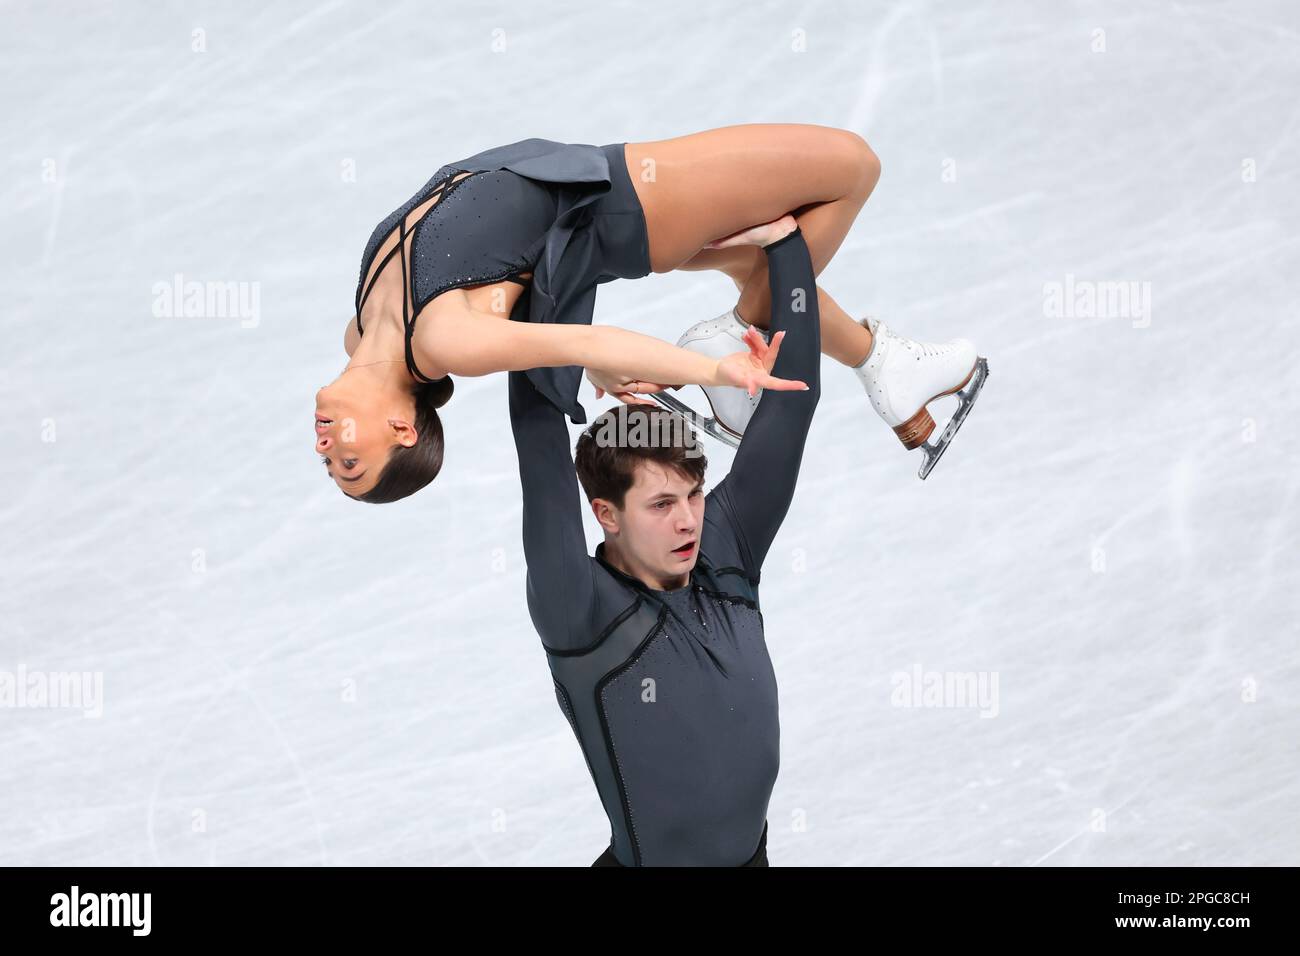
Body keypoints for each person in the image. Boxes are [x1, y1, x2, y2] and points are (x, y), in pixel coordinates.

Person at [316, 124, 985, 502]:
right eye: (349, 463)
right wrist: (714, 369)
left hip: (599, 207)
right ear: (403, 427)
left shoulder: (363, 325)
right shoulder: (444, 340)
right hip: (631, 198)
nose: (328, 450)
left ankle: (882, 364)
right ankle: (747, 331)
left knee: (756, 253)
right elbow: (594, 343)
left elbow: (517, 287)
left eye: (334, 465)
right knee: (851, 167)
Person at [509, 216, 818, 866]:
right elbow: (535, 428)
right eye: (659, 504)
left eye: (692, 495)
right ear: (606, 513)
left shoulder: (726, 548)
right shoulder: (581, 608)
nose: (686, 521)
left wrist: (785, 247)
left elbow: (791, 402)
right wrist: (559, 275)